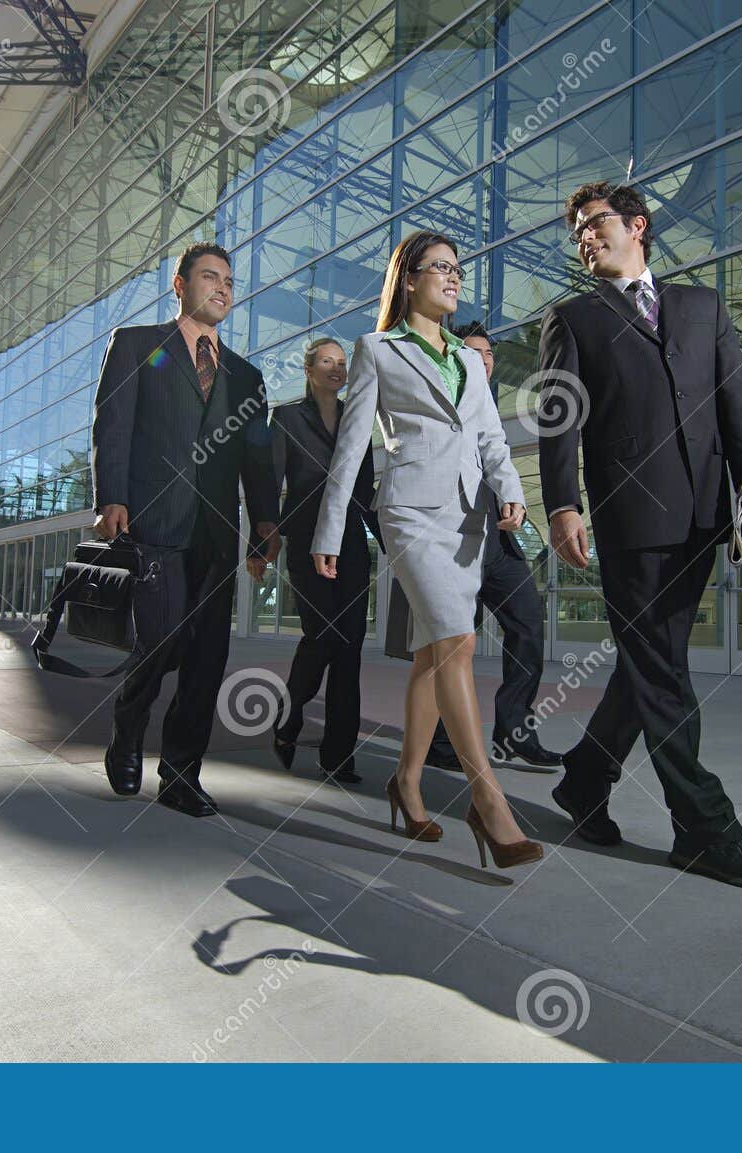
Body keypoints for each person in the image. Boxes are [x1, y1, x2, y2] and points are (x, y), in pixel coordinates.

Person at [537, 181, 742, 890]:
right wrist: (563, 504)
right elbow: (559, 419)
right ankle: (705, 829)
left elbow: (733, 394)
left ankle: (585, 779)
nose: (585, 238)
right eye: (578, 233)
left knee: (650, 664)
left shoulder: (702, 308)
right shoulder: (575, 319)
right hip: (629, 520)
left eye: (595, 224)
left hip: (701, 518)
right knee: (663, 674)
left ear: (637, 226)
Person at [312, 231, 542, 870]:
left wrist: (510, 489)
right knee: (457, 642)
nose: (453, 277)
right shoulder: (377, 350)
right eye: (439, 267)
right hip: (410, 515)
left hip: (469, 518)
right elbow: (353, 445)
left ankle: (406, 783)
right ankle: (487, 800)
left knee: (430, 656)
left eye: (458, 269)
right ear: (408, 280)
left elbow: (490, 437)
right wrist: (329, 531)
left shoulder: (469, 362)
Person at [90, 241, 280, 817]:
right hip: (152, 522)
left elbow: (258, 456)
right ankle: (128, 734)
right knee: (161, 641)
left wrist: (266, 523)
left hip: (217, 533)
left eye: (228, 281)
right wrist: (111, 498)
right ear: (180, 285)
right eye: (209, 277)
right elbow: (113, 425)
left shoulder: (246, 376)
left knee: (207, 657)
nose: (222, 288)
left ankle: (180, 775)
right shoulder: (138, 346)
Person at [418, 321, 562, 773]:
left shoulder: (490, 411)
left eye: (489, 353)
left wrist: (514, 500)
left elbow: (498, 458)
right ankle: (441, 743)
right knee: (452, 645)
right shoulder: (436, 401)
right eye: (474, 351)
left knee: (528, 624)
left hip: (498, 545)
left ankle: (514, 732)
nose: (483, 359)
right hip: (452, 543)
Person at [265, 337, 382, 785]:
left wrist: (390, 538)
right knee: (323, 636)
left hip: (350, 542)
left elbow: (365, 490)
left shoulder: (358, 419)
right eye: (327, 362)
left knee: (349, 647)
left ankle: (339, 755)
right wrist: (265, 537)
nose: (337, 368)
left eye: (342, 362)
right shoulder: (288, 417)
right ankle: (290, 715)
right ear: (309, 369)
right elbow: (271, 479)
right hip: (305, 540)